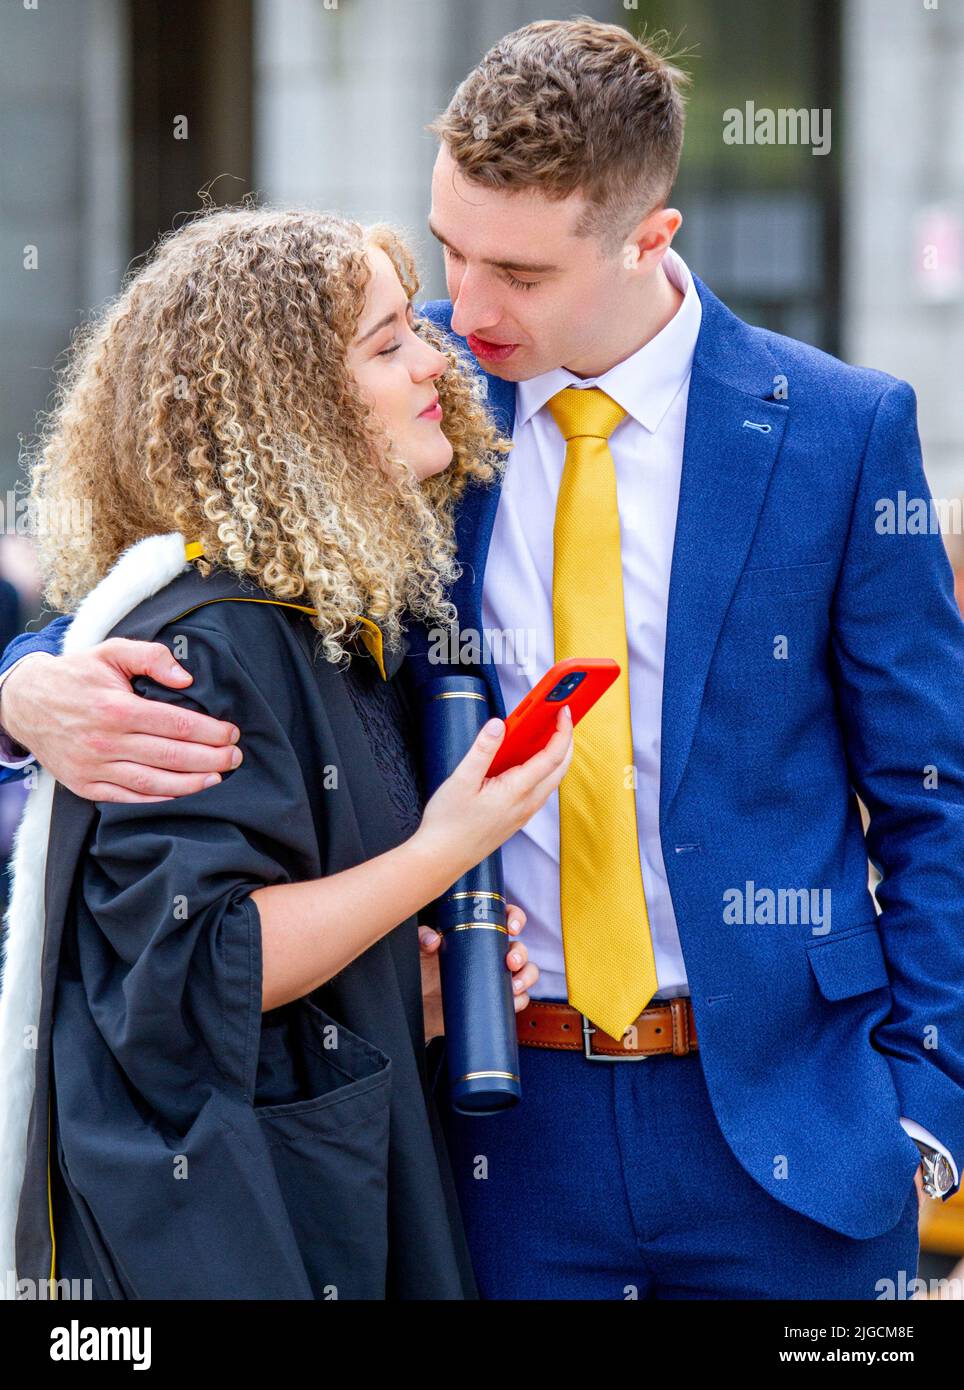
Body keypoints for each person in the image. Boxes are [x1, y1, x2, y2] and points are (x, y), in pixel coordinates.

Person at [3, 17, 964, 1300]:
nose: (472, 306)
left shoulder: (843, 432)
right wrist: (25, 681)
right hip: (496, 1134)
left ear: (647, 238)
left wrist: (925, 1112)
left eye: (517, 269)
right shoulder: (406, 403)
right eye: (452, 247)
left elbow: (933, 796)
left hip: (801, 1135)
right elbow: (200, 567)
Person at [0, 205, 574, 1300]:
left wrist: (407, 991)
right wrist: (446, 849)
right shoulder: (209, 647)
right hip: (239, 1230)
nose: (434, 361)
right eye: (391, 340)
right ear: (293, 407)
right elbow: (193, 961)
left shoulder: (326, 620)